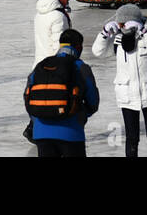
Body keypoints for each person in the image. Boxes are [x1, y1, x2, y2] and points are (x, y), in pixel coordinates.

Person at [94, 4, 147, 157]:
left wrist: (143, 31)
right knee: (132, 138)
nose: (122, 26)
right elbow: (97, 52)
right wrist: (104, 33)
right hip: (127, 94)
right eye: (120, 23)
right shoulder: (117, 41)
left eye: (124, 23)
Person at [28, 29, 99, 157]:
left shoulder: (41, 65)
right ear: (78, 46)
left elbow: (27, 95)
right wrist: (80, 115)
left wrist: (40, 114)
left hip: (42, 132)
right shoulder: (80, 67)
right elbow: (93, 101)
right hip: (71, 131)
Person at [33, 0, 70, 67]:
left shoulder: (39, 14)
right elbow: (58, 44)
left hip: (39, 63)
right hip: (52, 67)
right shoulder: (58, 16)